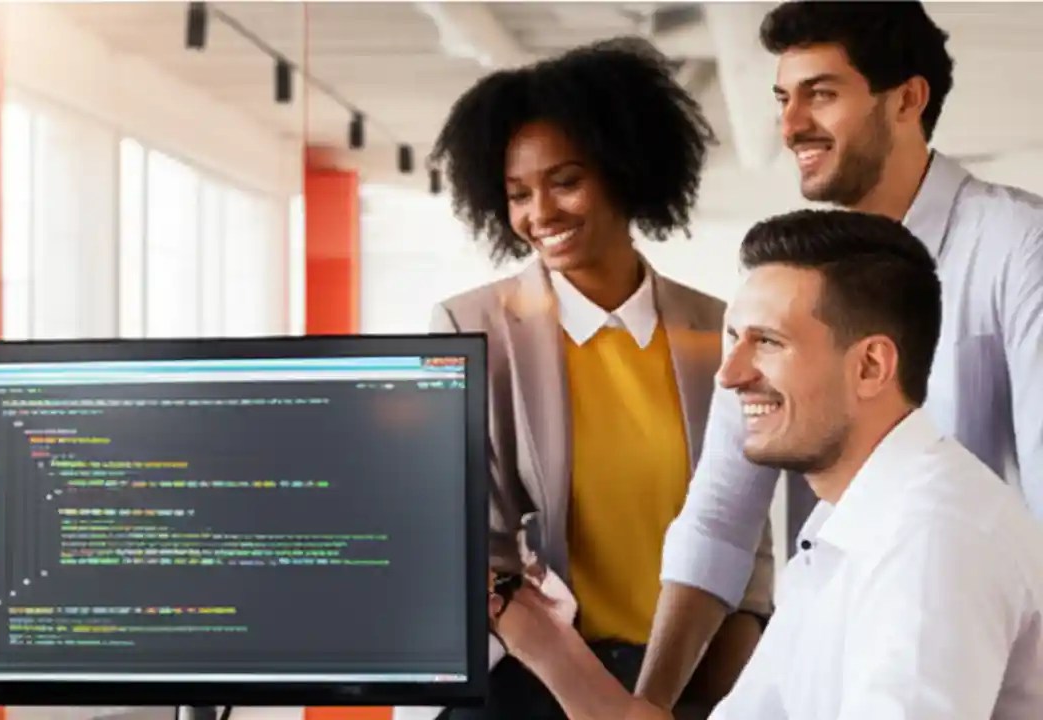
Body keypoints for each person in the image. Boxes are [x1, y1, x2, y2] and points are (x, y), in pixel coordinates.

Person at [637, 2, 1043, 709]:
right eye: (783, 99)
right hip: (847, 639)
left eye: (820, 93)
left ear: (907, 100)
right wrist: (649, 703)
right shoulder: (798, 280)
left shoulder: (1019, 247)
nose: (791, 125)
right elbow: (720, 515)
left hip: (980, 646)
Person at [493, 209, 1043, 720]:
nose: (729, 374)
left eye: (768, 342)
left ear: (871, 367)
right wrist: (553, 651)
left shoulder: (933, 541)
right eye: (734, 338)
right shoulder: (844, 525)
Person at [426, 38, 774, 719]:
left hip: (694, 679)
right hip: (540, 681)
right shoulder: (474, 329)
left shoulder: (718, 330)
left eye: (565, 181)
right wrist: (597, 703)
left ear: (625, 170)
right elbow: (475, 555)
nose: (540, 213)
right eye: (517, 194)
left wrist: (687, 699)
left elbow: (745, 544)